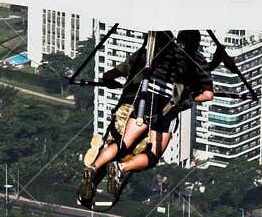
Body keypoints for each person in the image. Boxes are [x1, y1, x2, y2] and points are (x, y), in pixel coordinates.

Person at [78, 30, 227, 207]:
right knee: (151, 154)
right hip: (166, 108)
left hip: (141, 102)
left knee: (120, 145)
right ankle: (119, 169)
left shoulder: (154, 54)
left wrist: (112, 81)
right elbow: (204, 88)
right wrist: (188, 97)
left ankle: (93, 169)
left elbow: (110, 75)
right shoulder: (195, 60)